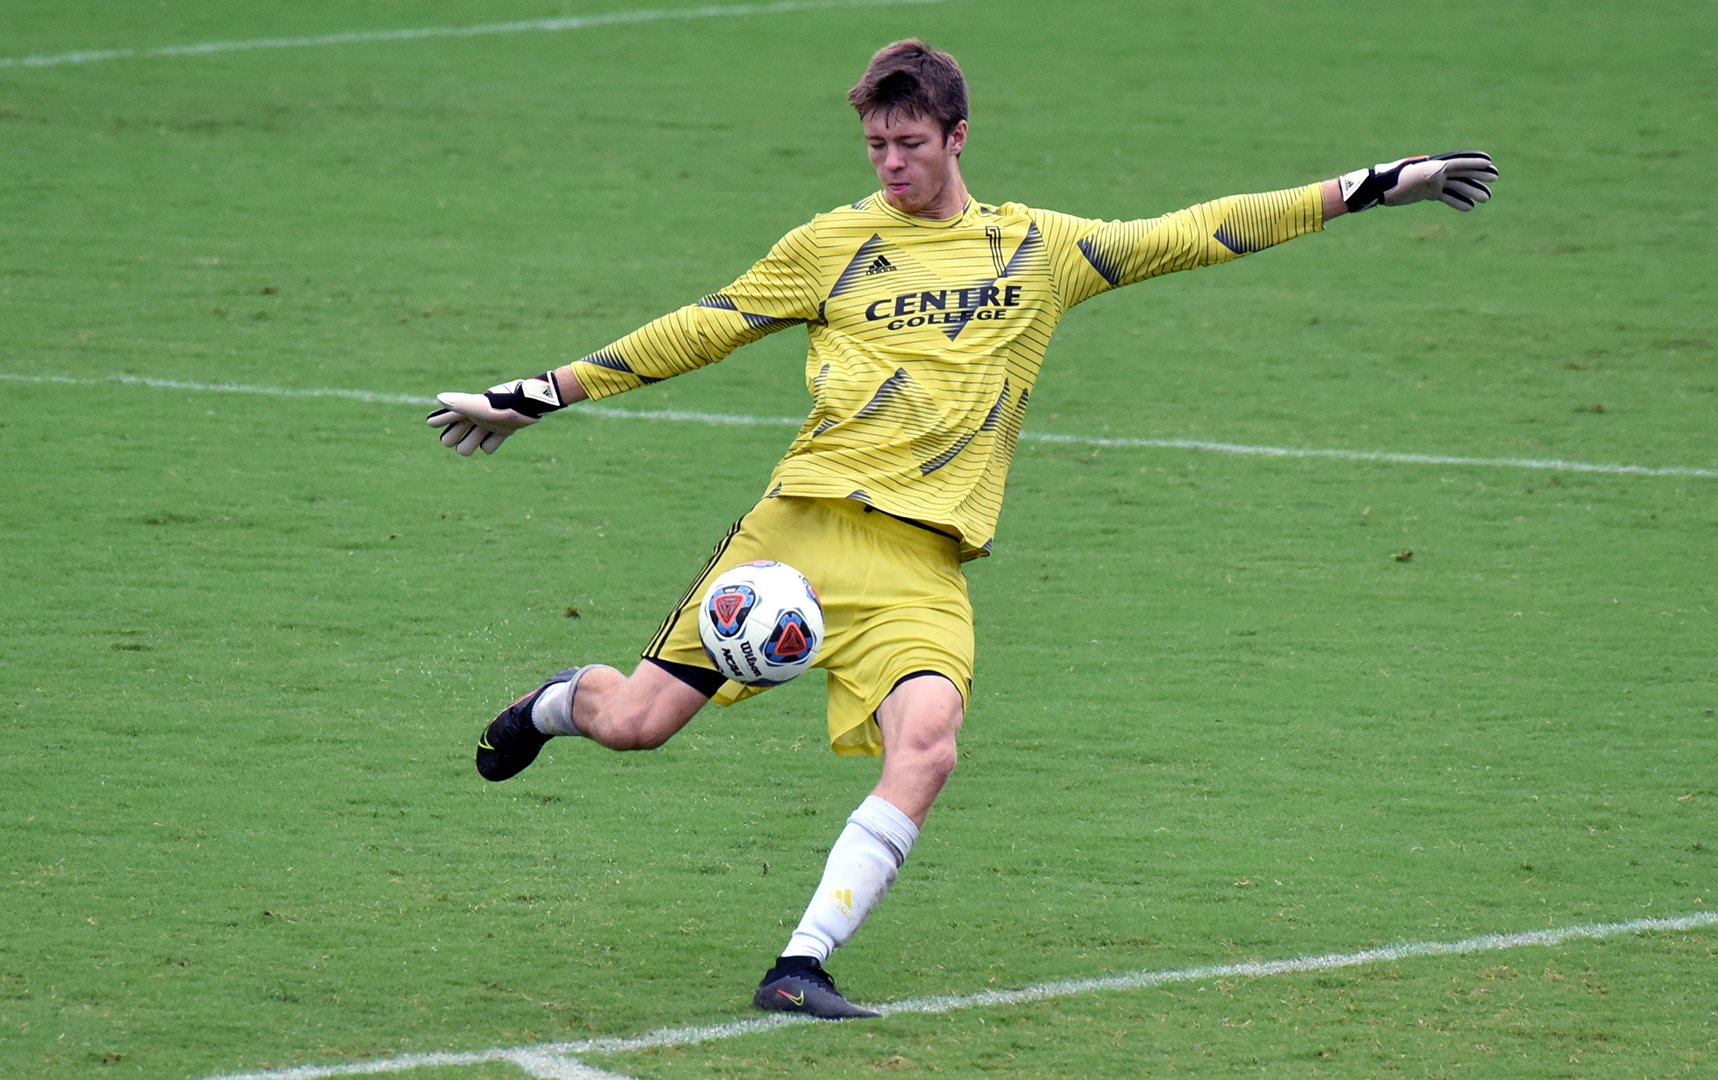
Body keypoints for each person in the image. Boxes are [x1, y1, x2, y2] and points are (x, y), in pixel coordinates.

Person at [428, 39, 1496, 1019]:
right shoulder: (831, 244)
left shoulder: (1038, 248)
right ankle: (560, 701)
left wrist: (1370, 187)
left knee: (927, 749)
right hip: (796, 534)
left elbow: (1199, 232)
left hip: (922, 565)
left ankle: (798, 967)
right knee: (637, 725)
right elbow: (704, 327)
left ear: (956, 137)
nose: (889, 164)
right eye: (875, 145)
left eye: (907, 144)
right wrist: (535, 395)